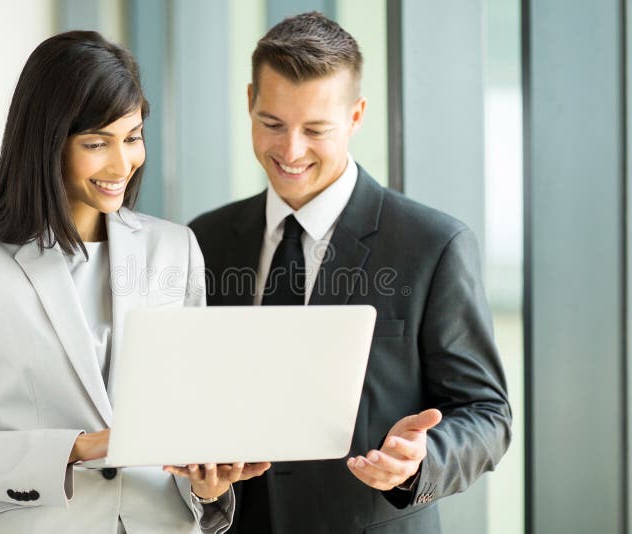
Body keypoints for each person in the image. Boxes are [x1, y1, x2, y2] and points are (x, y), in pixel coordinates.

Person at [0, 31, 268, 534]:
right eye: (96, 143)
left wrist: (206, 485)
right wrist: (76, 449)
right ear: (48, 141)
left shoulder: (174, 248)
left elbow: (187, 419)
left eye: (132, 137)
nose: (122, 164)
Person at [189, 12, 512, 534]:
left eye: (316, 130)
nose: (290, 151)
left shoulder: (433, 245)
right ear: (250, 100)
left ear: (357, 115)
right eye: (273, 123)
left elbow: (487, 413)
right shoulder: (203, 240)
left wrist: (421, 458)